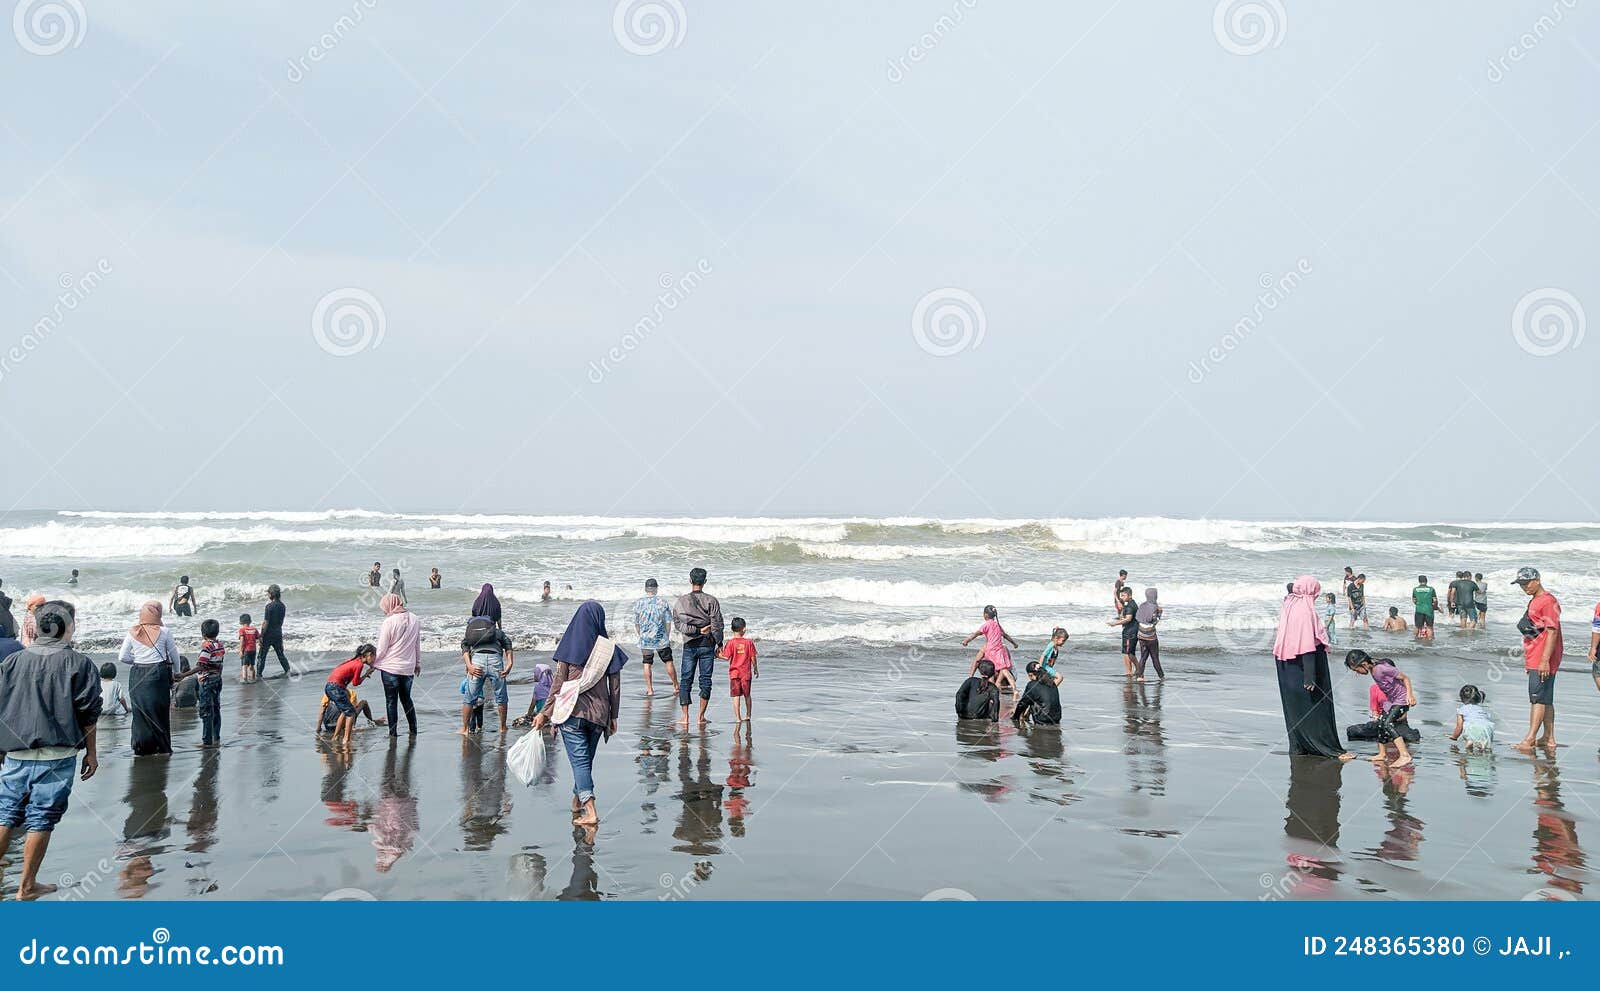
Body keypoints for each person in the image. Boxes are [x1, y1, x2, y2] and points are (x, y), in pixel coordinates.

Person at [0, 601, 101, 900]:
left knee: (6, 814)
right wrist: (91, 753)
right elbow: (89, 712)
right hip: (58, 753)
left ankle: (26, 884)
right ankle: (27, 885)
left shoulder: (13, 662)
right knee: (41, 817)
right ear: (69, 627)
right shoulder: (79, 663)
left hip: (16, 751)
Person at [531, 601, 626, 827]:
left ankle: (590, 810)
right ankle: (577, 801)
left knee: (580, 762)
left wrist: (544, 713)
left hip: (572, 712)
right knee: (584, 761)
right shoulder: (608, 650)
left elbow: (558, 683)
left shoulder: (569, 645)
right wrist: (613, 716)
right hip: (599, 715)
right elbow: (615, 687)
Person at [1272, 577, 1352, 760]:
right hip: (1305, 666)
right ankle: (1329, 749)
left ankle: (1298, 746)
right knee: (1317, 708)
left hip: (1286, 665)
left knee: (1295, 709)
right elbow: (1306, 643)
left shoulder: (1289, 604)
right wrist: (1310, 675)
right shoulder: (1305, 610)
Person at [119, 601, 182, 756]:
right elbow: (174, 654)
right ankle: (162, 747)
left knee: (140, 711)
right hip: (158, 673)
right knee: (160, 711)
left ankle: (141, 747)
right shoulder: (164, 631)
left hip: (137, 674)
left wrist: (138, 661)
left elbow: (122, 657)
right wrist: (177, 672)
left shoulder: (132, 632)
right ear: (158, 614)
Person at [1513, 567, 1562, 752]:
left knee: (1537, 699)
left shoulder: (1548, 601)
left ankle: (1530, 739)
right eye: (1521, 584)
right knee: (1545, 698)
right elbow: (1536, 631)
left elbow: (1552, 631)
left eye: (1527, 583)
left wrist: (1544, 660)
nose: (1524, 587)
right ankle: (1549, 738)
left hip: (1543, 657)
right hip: (1536, 655)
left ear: (1537, 580)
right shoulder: (1535, 600)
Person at [673, 567, 724, 728]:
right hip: (707, 644)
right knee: (705, 679)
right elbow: (717, 624)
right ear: (705, 581)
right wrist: (719, 643)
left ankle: (685, 717)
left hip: (690, 644)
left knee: (686, 679)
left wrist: (694, 631)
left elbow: (678, 624)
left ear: (690, 580)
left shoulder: (681, 601)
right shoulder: (711, 600)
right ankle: (701, 717)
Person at [1345, 650, 1414, 768]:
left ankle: (1405, 755)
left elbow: (1405, 678)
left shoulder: (1381, 668)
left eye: (1356, 670)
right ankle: (1382, 754)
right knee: (1381, 724)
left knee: (1387, 724)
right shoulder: (1373, 669)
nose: (1357, 673)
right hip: (1394, 701)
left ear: (1364, 664)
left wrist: (1410, 695)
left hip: (1402, 700)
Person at [374, 593, 422, 737]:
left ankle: (393, 733)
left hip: (390, 668)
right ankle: (413, 729)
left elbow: (382, 649)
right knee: (406, 699)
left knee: (391, 701)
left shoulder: (388, 622)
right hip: (408, 668)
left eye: (384, 608)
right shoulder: (415, 619)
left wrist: (373, 663)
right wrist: (417, 663)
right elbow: (417, 644)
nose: (384, 611)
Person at [460, 613, 514, 736]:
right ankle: (503, 727)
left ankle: (464, 729)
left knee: (469, 697)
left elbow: (464, 646)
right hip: (495, 661)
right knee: (501, 696)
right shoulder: (496, 632)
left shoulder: (471, 634)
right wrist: (510, 663)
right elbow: (508, 643)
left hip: (477, 662)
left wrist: (469, 665)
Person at [323, 645, 378, 746]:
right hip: (336, 687)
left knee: (345, 711)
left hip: (329, 686)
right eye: (375, 656)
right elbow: (355, 683)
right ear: (369, 655)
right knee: (351, 713)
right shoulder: (359, 665)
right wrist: (366, 674)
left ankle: (336, 737)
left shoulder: (353, 660)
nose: (375, 659)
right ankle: (346, 739)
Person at [632, 578, 678, 698]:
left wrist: (641, 635)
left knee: (647, 663)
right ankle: (675, 686)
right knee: (668, 661)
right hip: (661, 638)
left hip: (645, 639)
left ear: (645, 589)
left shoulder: (638, 603)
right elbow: (668, 622)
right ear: (656, 589)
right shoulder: (662, 603)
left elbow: (636, 624)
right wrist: (666, 636)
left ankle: (650, 690)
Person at [965, 604, 1019, 694]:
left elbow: (976, 634)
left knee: (990, 670)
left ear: (985, 615)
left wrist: (967, 640)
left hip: (990, 650)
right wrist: (1014, 643)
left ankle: (991, 687)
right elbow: (1005, 635)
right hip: (999, 650)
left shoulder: (986, 625)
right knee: (1003, 669)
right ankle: (1010, 687)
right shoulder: (997, 625)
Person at [720, 617, 758, 723]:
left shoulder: (731, 642)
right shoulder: (749, 642)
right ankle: (748, 715)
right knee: (747, 695)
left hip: (734, 673)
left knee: (736, 696)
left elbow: (726, 657)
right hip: (746, 673)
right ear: (744, 629)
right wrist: (755, 668)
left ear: (732, 629)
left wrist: (717, 655)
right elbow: (753, 657)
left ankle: (737, 718)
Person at [195, 619, 226, 746]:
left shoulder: (207, 647)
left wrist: (183, 675)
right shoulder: (220, 645)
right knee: (216, 708)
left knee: (206, 711)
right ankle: (216, 736)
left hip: (206, 681)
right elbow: (220, 665)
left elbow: (200, 666)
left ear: (203, 634)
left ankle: (207, 740)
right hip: (217, 679)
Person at [1012, 660, 1062, 725]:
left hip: (1042, 720)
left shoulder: (1032, 684)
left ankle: (1024, 717)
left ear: (1030, 674)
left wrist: (1015, 717)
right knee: (1034, 698)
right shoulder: (1052, 682)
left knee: (1028, 699)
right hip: (1057, 719)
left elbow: (1022, 704)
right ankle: (1026, 716)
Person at [1449, 684, 1494, 753]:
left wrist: (1454, 737)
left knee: (1469, 743)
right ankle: (1481, 747)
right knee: (1482, 749)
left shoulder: (1461, 710)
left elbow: (1459, 727)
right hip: (1488, 728)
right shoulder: (1482, 710)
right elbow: (1486, 720)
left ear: (1461, 698)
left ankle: (1469, 743)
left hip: (1472, 727)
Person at [511, 663, 555, 728]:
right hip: (552, 715)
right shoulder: (554, 687)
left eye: (535, 673)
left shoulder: (538, 687)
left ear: (539, 674)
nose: (534, 675)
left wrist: (528, 716)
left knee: (516, 722)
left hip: (542, 715)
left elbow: (532, 704)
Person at [1134, 588, 1164, 682]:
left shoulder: (1142, 605)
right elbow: (1154, 621)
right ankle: (1161, 676)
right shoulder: (1155, 607)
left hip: (1141, 635)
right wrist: (1160, 613)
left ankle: (1139, 676)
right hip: (1151, 637)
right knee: (1155, 657)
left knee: (1143, 656)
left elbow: (1137, 618)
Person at [259, 585, 289, 677]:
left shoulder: (269, 607)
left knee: (262, 656)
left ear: (272, 594)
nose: (268, 595)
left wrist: (261, 635)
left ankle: (259, 674)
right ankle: (288, 671)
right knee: (280, 654)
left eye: (268, 593)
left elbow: (266, 622)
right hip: (278, 633)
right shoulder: (283, 606)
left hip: (268, 634)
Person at [1108, 587, 1138, 676]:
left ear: (1130, 595)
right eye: (1121, 595)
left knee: (1127, 653)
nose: (1122, 597)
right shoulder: (1132, 604)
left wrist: (1115, 623)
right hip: (1132, 631)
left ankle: (1134, 670)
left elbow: (1128, 619)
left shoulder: (1130, 606)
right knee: (1128, 652)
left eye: (1124, 595)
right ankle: (1133, 670)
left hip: (1130, 632)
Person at [1412, 576, 1438, 640]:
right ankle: (1429, 639)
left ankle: (1415, 638)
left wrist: (1419, 604)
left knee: (1417, 626)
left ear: (1419, 581)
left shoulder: (1415, 589)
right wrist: (1435, 606)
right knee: (1429, 627)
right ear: (1426, 581)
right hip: (1429, 610)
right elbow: (1435, 600)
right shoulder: (1431, 589)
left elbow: (1414, 600)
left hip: (1419, 610)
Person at [237, 613, 260, 683]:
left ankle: (245, 679)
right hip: (253, 650)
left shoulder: (242, 630)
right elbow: (259, 638)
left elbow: (242, 640)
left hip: (246, 650)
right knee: (252, 665)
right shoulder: (254, 629)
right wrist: (260, 644)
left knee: (244, 665)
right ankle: (253, 679)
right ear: (250, 621)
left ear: (241, 622)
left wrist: (240, 651)